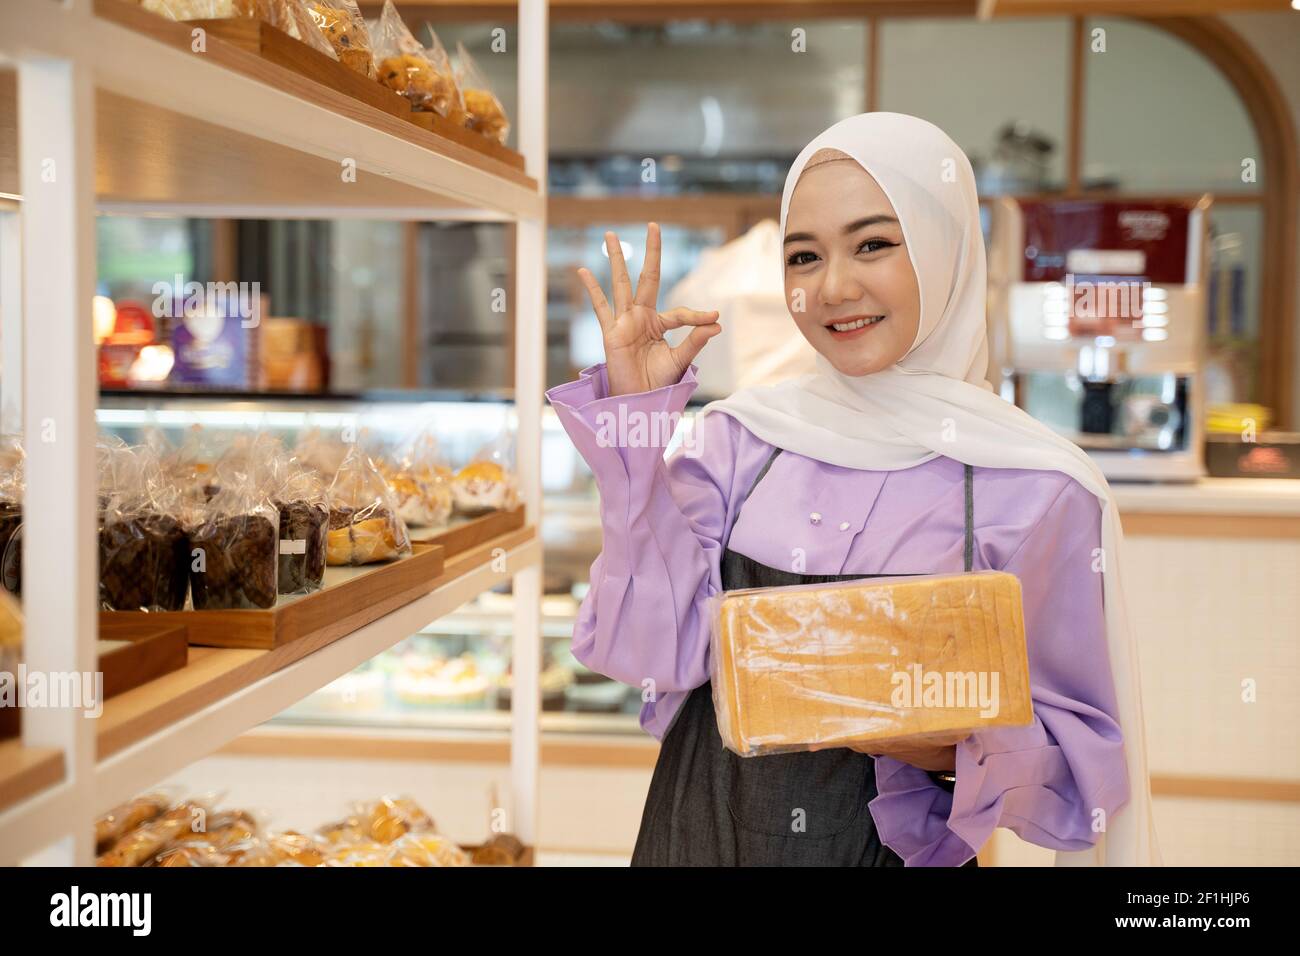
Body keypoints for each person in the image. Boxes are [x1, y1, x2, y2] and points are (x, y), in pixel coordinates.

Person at [545, 112, 1160, 867]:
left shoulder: (1039, 487)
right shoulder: (739, 442)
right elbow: (646, 654)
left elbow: (1082, 772)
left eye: (873, 244)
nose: (833, 287)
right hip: (693, 838)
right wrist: (635, 432)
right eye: (803, 256)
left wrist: (926, 737)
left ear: (945, 252)